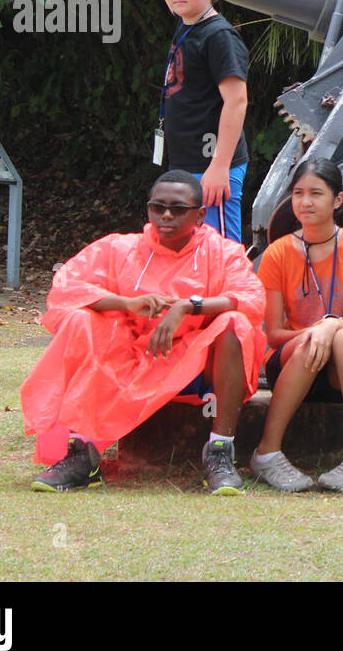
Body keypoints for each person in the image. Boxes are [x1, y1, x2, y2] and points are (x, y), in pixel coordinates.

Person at [22, 170, 266, 495]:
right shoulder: (120, 248)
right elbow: (67, 289)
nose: (166, 216)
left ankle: (220, 451)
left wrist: (187, 307)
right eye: (158, 207)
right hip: (131, 356)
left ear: (200, 214)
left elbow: (251, 296)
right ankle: (81, 451)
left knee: (234, 324)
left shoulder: (221, 252)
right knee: (82, 320)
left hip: (194, 363)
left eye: (178, 209)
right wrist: (126, 303)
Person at [249, 158, 343, 492]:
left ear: (338, 200)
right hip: (292, 361)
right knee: (321, 340)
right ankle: (266, 453)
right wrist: (317, 331)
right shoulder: (277, 254)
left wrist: (330, 326)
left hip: (340, 369)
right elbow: (275, 334)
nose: (305, 202)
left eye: (316, 193)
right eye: (298, 193)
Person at [131, 0, 250, 243]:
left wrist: (220, 168)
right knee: (188, 248)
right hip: (186, 162)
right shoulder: (188, 22)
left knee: (220, 248)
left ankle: (230, 300)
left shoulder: (219, 36)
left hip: (212, 164)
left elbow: (237, 102)